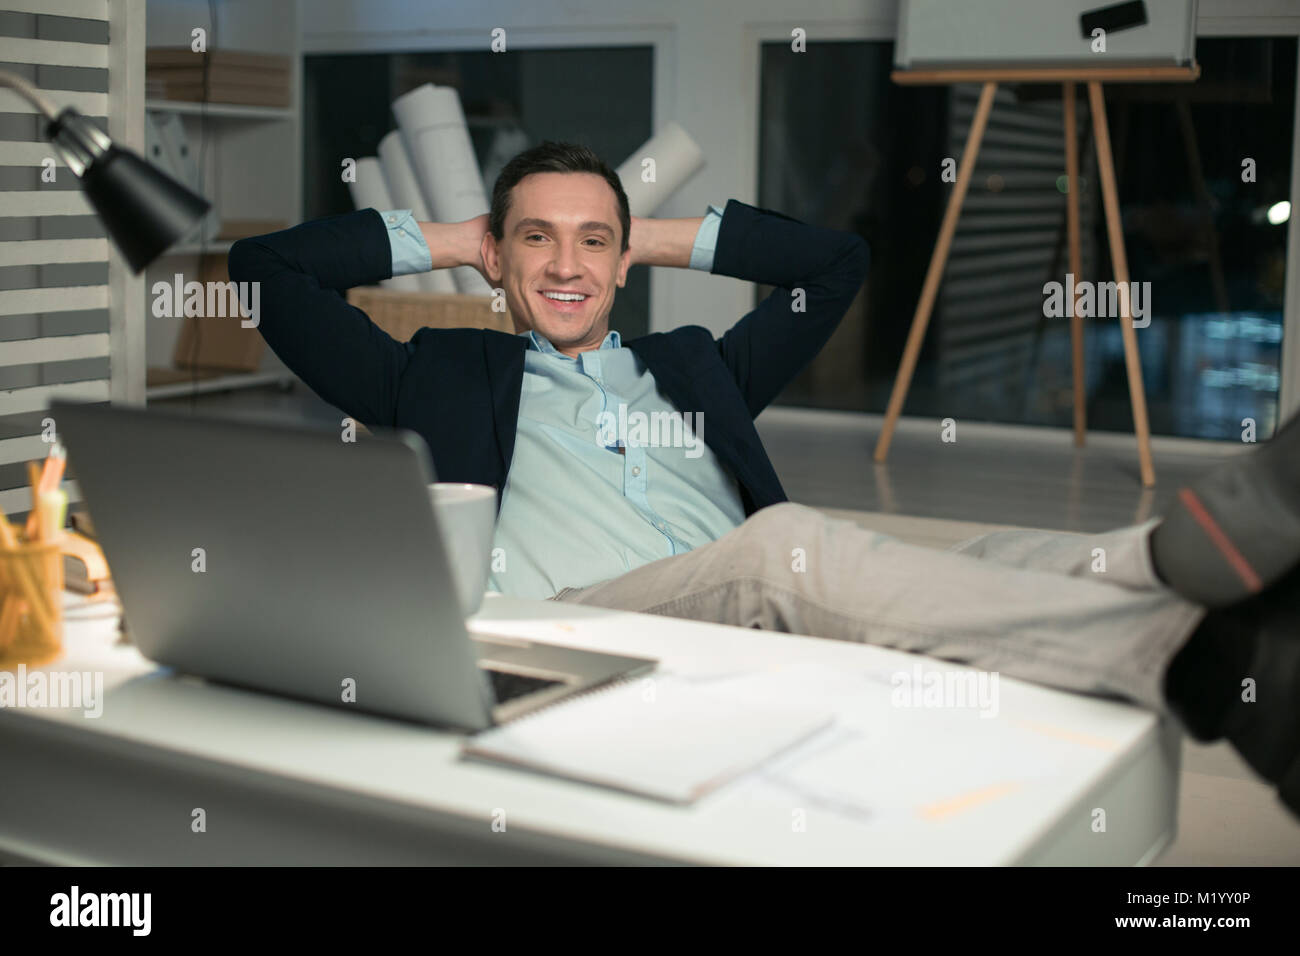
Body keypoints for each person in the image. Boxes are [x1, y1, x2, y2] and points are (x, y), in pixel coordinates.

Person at [229, 140, 1300, 820]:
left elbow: (837, 263)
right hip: (586, 626)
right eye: (537, 243)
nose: (566, 264)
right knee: (783, 546)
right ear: (495, 261)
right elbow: (263, 274)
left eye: (592, 243)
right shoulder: (441, 373)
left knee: (988, 557)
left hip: (748, 602)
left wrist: (639, 234)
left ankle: (1178, 572)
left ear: (624, 258)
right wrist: (452, 236)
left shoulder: (697, 364)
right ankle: (1200, 661)